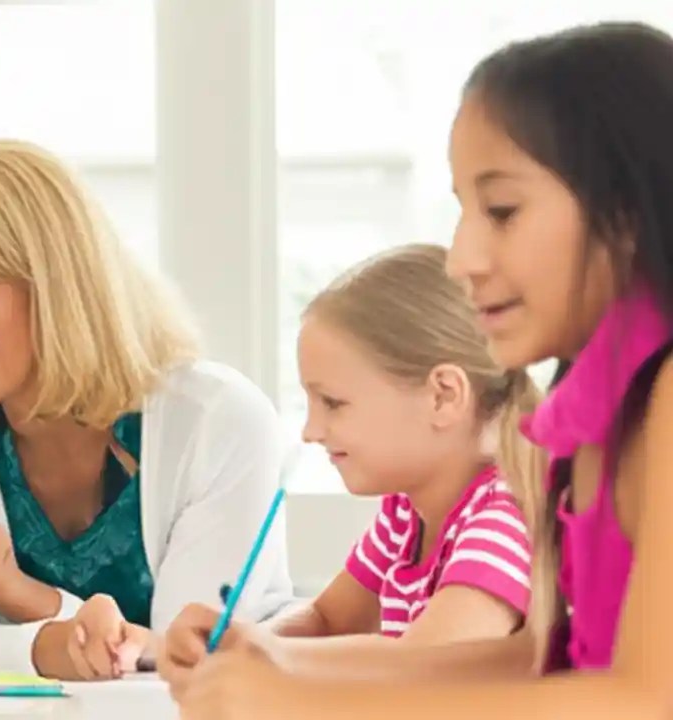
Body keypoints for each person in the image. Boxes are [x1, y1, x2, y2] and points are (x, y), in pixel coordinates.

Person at [168, 22, 673, 720]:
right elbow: (540, 660)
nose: (462, 257)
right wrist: (278, 659)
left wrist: (305, 702)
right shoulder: (594, 419)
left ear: (626, 213)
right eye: (464, 212)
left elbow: (648, 698)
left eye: (502, 211)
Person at [0, 138, 293, 679]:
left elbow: (185, 661)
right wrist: (61, 642)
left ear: (59, 282)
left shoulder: (219, 421)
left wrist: (14, 591)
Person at [159, 244, 540, 691]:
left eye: (333, 403)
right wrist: (241, 647)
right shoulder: (406, 514)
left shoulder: (503, 516)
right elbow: (327, 619)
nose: (311, 431)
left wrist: (270, 658)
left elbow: (424, 665)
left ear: (443, 396)